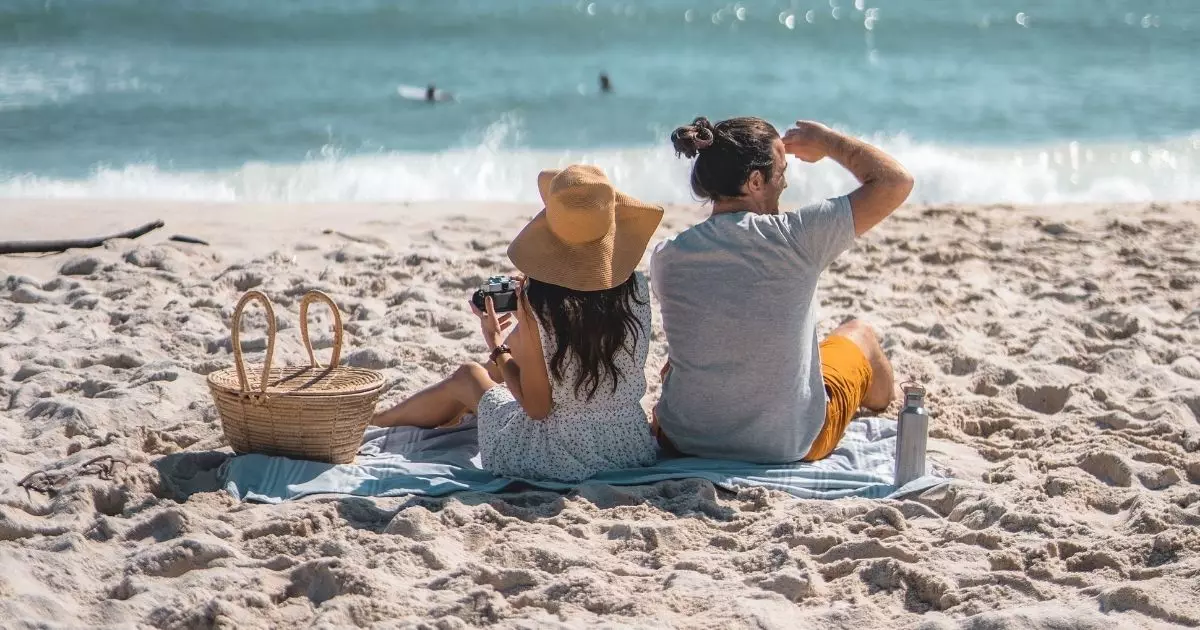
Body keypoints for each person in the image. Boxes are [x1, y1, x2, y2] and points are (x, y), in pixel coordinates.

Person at [373, 165, 664, 482]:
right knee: (504, 367)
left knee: (469, 375)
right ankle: (409, 416)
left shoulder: (543, 304)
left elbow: (537, 409)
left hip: (562, 456)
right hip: (629, 445)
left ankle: (380, 421)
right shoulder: (635, 286)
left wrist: (497, 343)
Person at [650, 116, 913, 463]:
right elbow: (895, 182)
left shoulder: (668, 255)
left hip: (683, 438)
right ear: (755, 181)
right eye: (781, 171)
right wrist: (829, 142)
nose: (785, 184)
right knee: (859, 334)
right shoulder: (796, 237)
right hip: (786, 444)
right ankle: (881, 399)